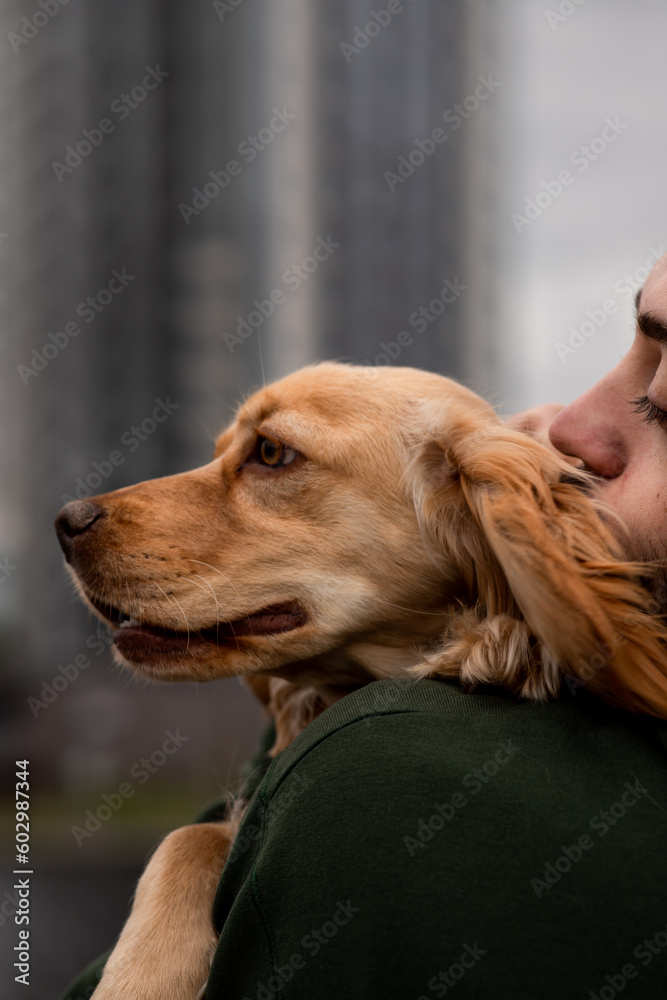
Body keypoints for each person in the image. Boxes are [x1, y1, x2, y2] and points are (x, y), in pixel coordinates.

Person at [60, 258, 667, 1000]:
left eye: (273, 455)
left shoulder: (390, 773)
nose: (567, 424)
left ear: (468, 530)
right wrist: (194, 861)